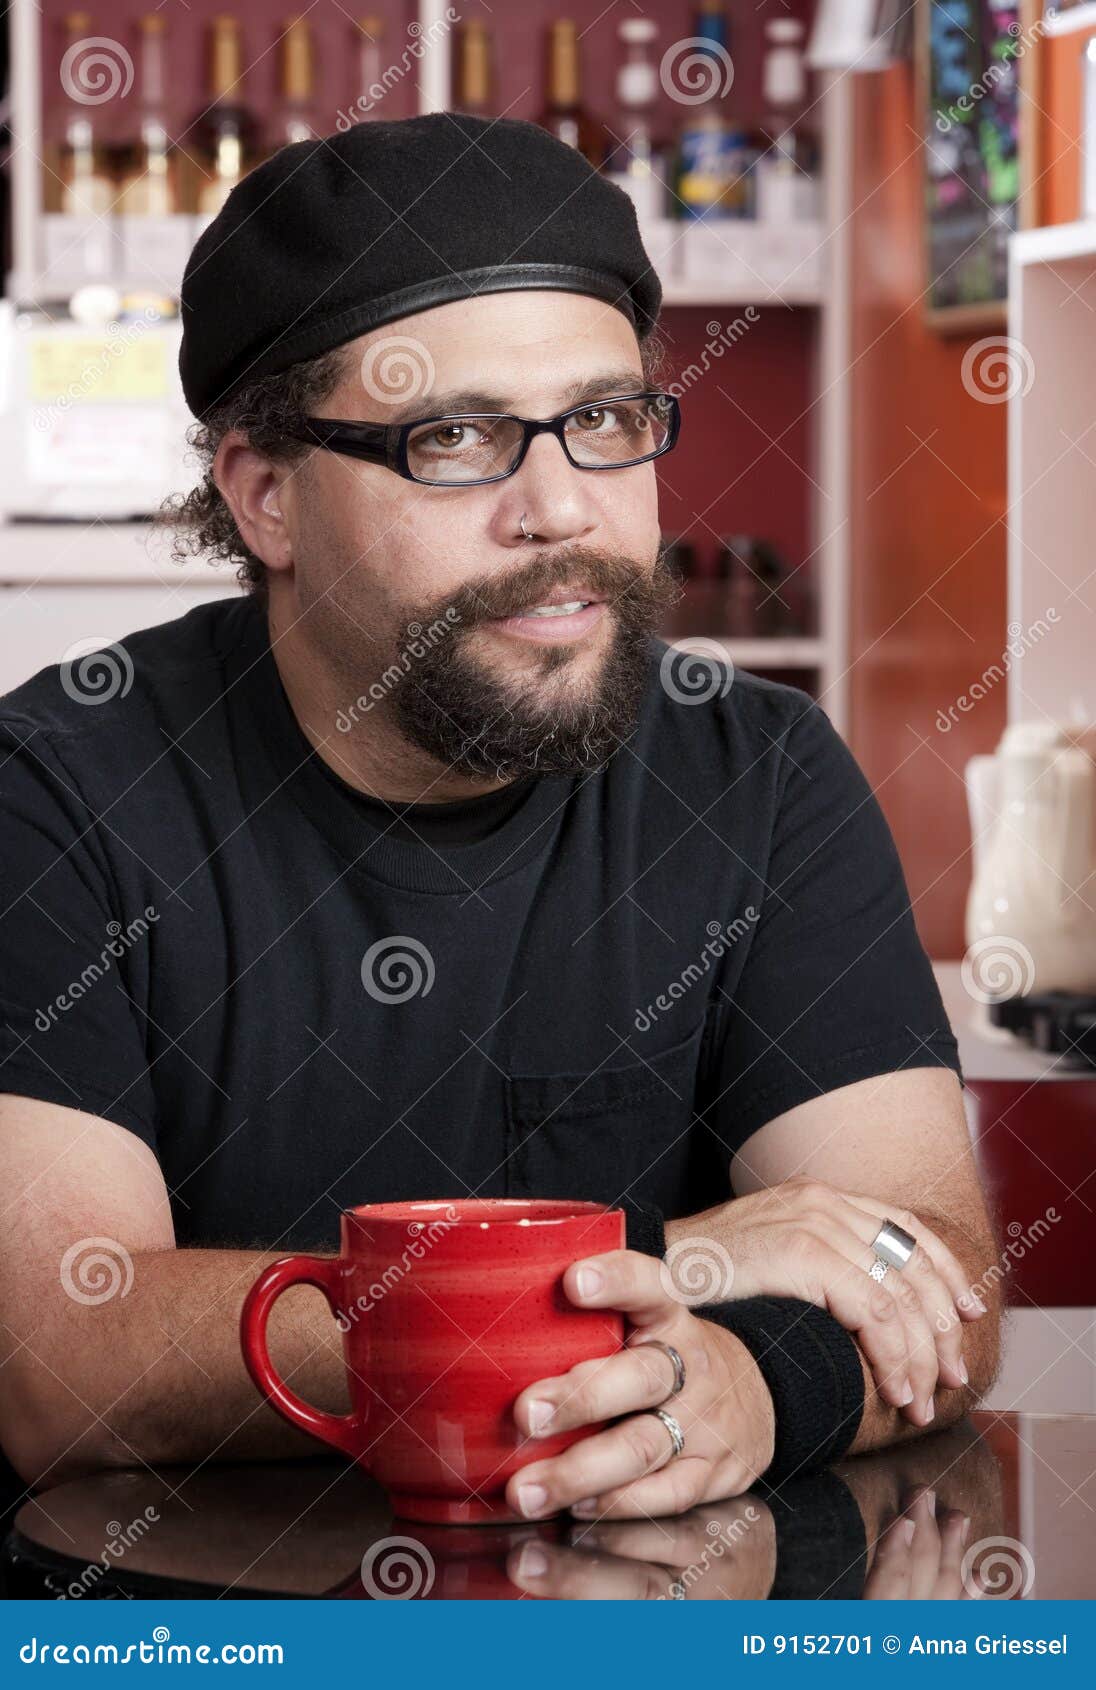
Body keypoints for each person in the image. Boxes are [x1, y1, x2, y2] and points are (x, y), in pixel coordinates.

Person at [0, 115, 999, 1522]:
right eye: (457, 438)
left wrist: (759, 1384)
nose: (562, 510)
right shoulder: (55, 791)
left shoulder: (759, 775)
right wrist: (687, 1264)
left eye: (605, 422)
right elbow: (68, 1364)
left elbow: (926, 1273)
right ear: (266, 496)